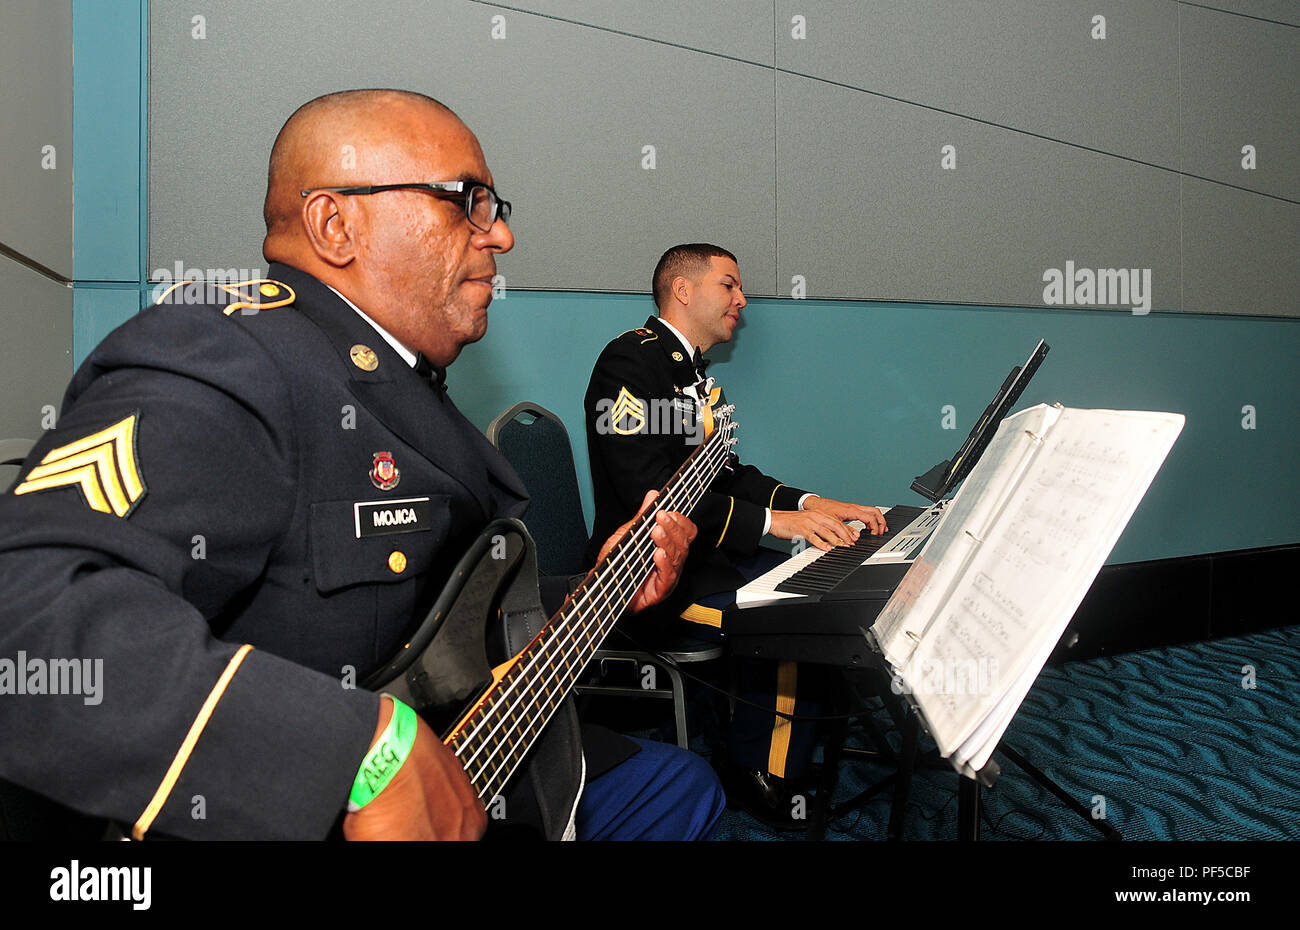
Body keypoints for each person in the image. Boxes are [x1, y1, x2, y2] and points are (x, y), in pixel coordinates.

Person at [0, 90, 723, 841]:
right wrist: (352, 751)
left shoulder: (396, 381)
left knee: (680, 787)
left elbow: (424, 614)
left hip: (489, 751)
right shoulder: (227, 351)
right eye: (468, 202)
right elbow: (26, 616)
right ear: (335, 223)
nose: (500, 234)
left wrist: (599, 587)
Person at [584, 243, 887, 827]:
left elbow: (728, 475)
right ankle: (762, 774)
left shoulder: (688, 373)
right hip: (644, 580)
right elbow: (649, 494)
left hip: (704, 562)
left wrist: (815, 503)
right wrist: (778, 524)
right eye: (730, 285)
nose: (742, 301)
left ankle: (774, 741)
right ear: (683, 290)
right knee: (787, 617)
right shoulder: (630, 362)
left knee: (815, 589)